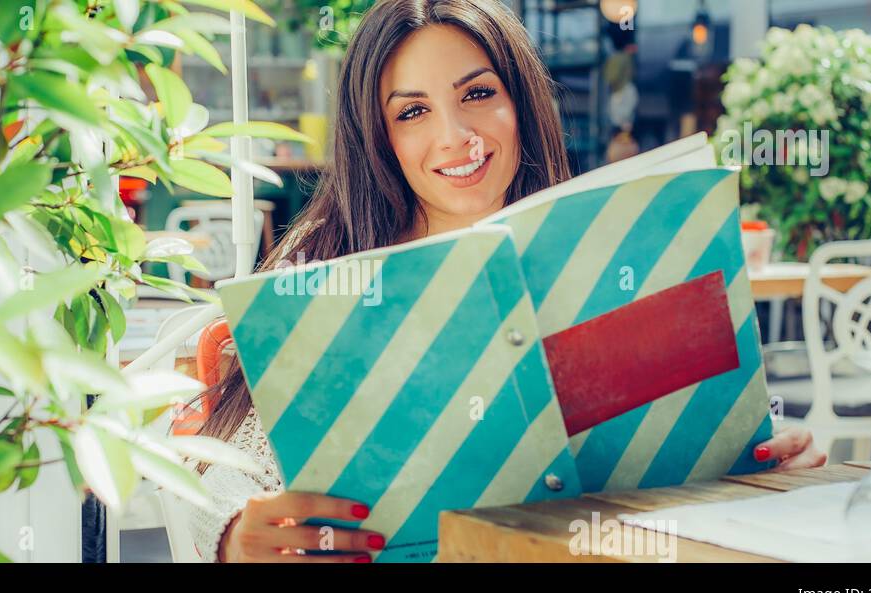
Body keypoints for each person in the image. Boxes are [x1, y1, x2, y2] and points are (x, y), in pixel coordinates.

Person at [185, 0, 827, 563]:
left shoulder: (604, 240)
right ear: (377, 135)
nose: (455, 136)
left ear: (520, 100)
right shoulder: (326, 261)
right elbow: (210, 469)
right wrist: (236, 533)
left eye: (477, 93)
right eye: (412, 111)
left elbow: (693, 430)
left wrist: (760, 458)